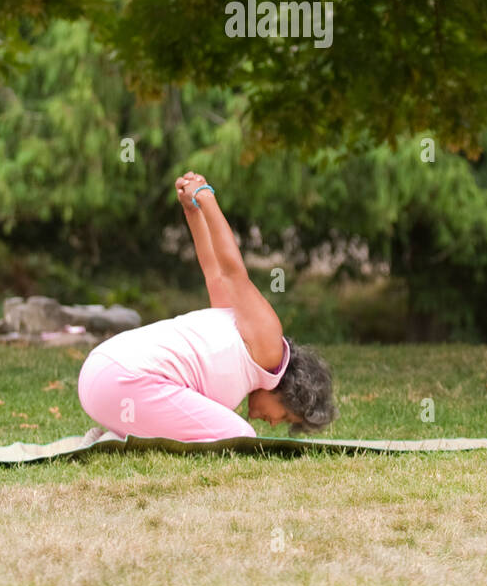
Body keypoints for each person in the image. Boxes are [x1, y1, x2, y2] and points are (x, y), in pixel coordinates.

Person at [77, 172, 337, 441]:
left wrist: (192, 210)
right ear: (289, 392)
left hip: (100, 371)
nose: (272, 423)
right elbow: (232, 272)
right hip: (120, 380)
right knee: (240, 434)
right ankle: (114, 437)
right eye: (283, 417)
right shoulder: (269, 344)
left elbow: (213, 270)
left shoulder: (236, 330)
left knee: (219, 425)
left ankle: (112, 435)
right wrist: (205, 196)